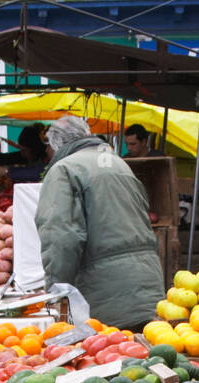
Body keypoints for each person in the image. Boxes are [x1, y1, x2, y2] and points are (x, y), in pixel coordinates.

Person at [35, 115, 164, 329]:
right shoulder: (119, 163)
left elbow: (60, 236)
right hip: (147, 287)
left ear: (56, 144)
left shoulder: (65, 169)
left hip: (106, 296)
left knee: (107, 359)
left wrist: (56, 291)